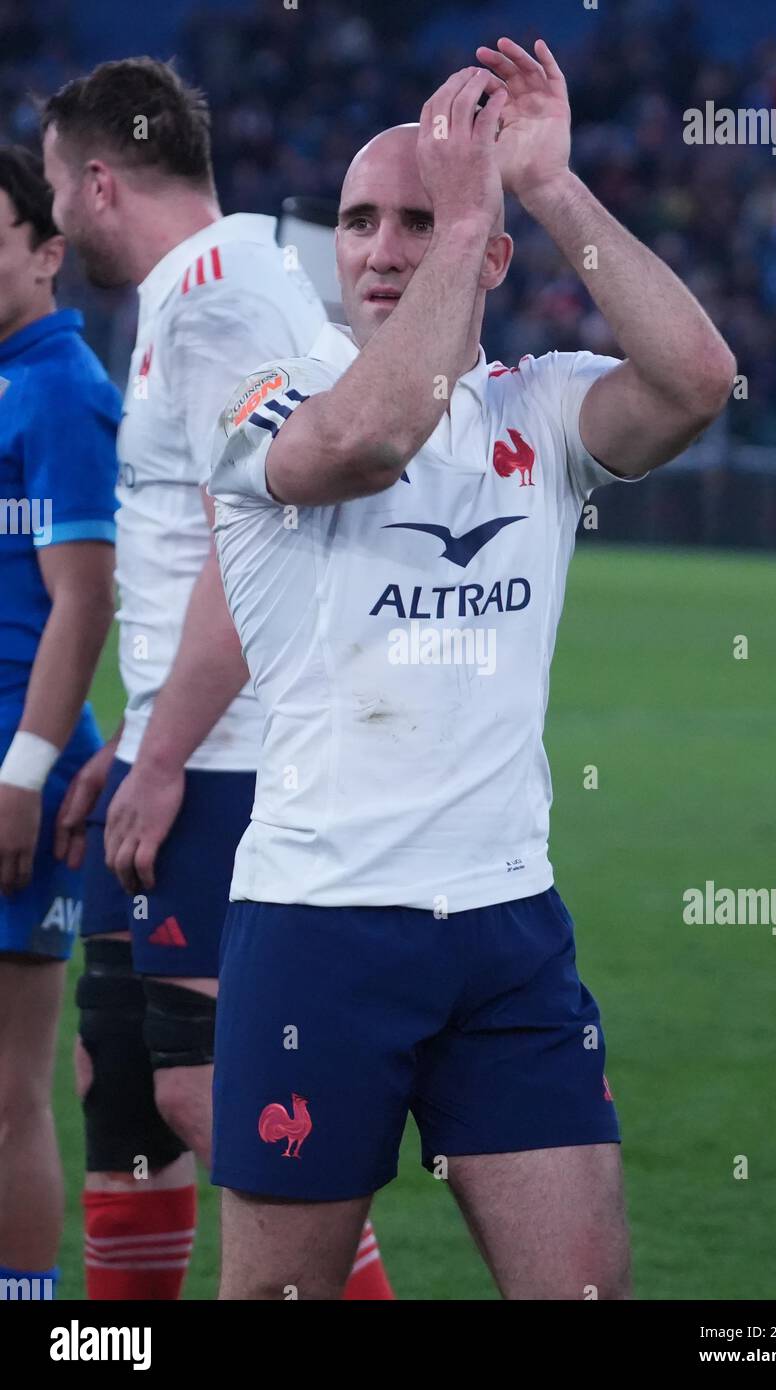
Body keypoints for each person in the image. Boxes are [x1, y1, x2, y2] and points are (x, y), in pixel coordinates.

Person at [208, 39, 736, 1299]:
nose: (384, 247)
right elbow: (378, 433)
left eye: (418, 219)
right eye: (358, 222)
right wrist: (464, 216)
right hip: (320, 927)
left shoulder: (537, 411)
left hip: (506, 931)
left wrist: (546, 189)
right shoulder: (272, 401)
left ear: (493, 258)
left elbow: (700, 378)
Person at [42, 58, 392, 1300]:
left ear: (95, 178)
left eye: (53, 190)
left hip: (233, 762)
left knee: (206, 1091)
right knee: (124, 1082)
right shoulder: (206, 284)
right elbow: (192, 541)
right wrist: (133, 746)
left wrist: (163, 758)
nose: (55, 220)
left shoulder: (218, 295)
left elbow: (259, 544)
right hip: (178, 749)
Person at [0, 146, 118, 1300]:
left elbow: (84, 601)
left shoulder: (61, 388)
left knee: (5, 1091)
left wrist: (23, 773)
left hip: (15, 777)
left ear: (45, 253)